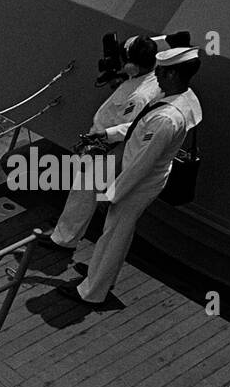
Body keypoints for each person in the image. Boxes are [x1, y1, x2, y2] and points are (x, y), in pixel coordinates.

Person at [61, 46, 203, 305]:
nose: (156, 76)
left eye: (161, 72)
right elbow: (138, 125)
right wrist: (107, 134)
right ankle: (103, 276)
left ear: (172, 75)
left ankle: (92, 292)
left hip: (138, 183)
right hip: (144, 179)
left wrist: (112, 194)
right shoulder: (180, 97)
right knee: (119, 232)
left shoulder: (167, 119)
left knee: (114, 235)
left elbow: (142, 164)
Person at [45, 35, 161, 251]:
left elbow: (129, 128)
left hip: (107, 147)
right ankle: (68, 228)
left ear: (132, 66)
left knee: (84, 192)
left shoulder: (141, 96)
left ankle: (64, 239)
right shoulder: (148, 77)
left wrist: (100, 141)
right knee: (82, 191)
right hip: (103, 144)